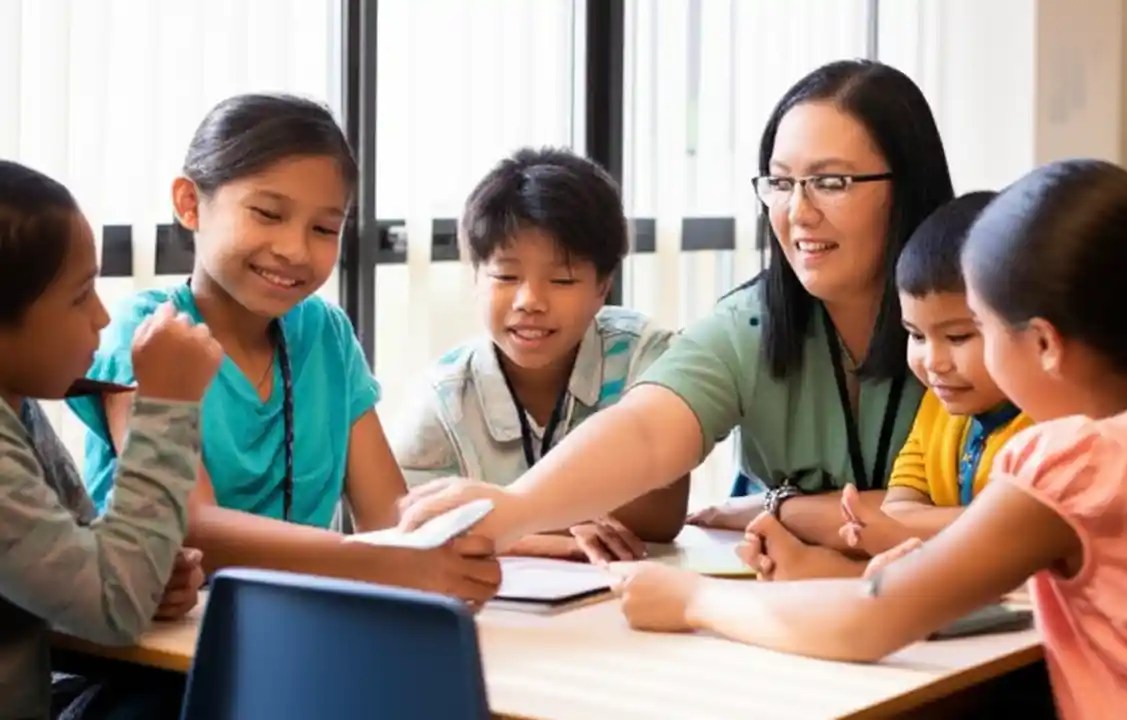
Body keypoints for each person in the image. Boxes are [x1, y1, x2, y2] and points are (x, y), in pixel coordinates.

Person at [616, 159, 1127, 719]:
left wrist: (695, 599)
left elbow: (873, 622)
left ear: (1044, 342)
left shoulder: (1075, 463)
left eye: (978, 331)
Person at [397, 59, 956, 560]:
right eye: (781, 183)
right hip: (803, 611)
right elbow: (646, 430)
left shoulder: (980, 320)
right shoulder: (750, 324)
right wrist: (516, 508)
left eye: (831, 182)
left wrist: (788, 507)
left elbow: (986, 519)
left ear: (907, 185)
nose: (799, 212)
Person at [68, 94, 499, 604]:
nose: (295, 250)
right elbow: (193, 526)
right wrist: (382, 562)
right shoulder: (148, 334)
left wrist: (526, 540)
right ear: (189, 203)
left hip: (301, 624)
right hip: (165, 647)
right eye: (268, 213)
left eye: (323, 229)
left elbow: (390, 515)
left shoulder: (325, 332)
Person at [0, 160, 221, 718]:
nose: (101, 316)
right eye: (79, 296)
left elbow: (81, 572)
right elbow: (110, 606)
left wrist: (141, 569)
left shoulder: (16, 406)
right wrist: (168, 404)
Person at [392, 148, 688, 565]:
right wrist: (556, 538)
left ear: (603, 286)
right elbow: (406, 524)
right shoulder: (442, 396)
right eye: (506, 276)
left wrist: (500, 520)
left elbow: (660, 516)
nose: (530, 301)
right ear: (474, 276)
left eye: (562, 279)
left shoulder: (645, 355)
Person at [737, 192, 1034, 579]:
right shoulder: (937, 407)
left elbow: (1011, 532)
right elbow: (899, 512)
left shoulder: (1046, 426)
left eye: (958, 337)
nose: (933, 362)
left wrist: (913, 528)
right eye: (916, 335)